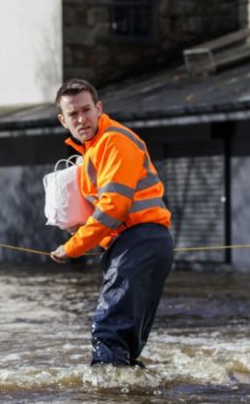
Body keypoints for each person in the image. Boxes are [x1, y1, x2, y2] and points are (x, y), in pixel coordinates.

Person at [49, 79, 173, 367]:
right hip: (136, 244)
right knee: (124, 343)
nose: (81, 119)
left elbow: (113, 208)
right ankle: (131, 391)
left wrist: (72, 247)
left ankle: (106, 392)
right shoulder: (93, 150)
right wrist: (81, 231)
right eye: (73, 114)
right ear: (62, 120)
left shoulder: (114, 141)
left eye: (86, 110)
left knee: (109, 333)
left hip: (139, 243)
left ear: (99, 108)